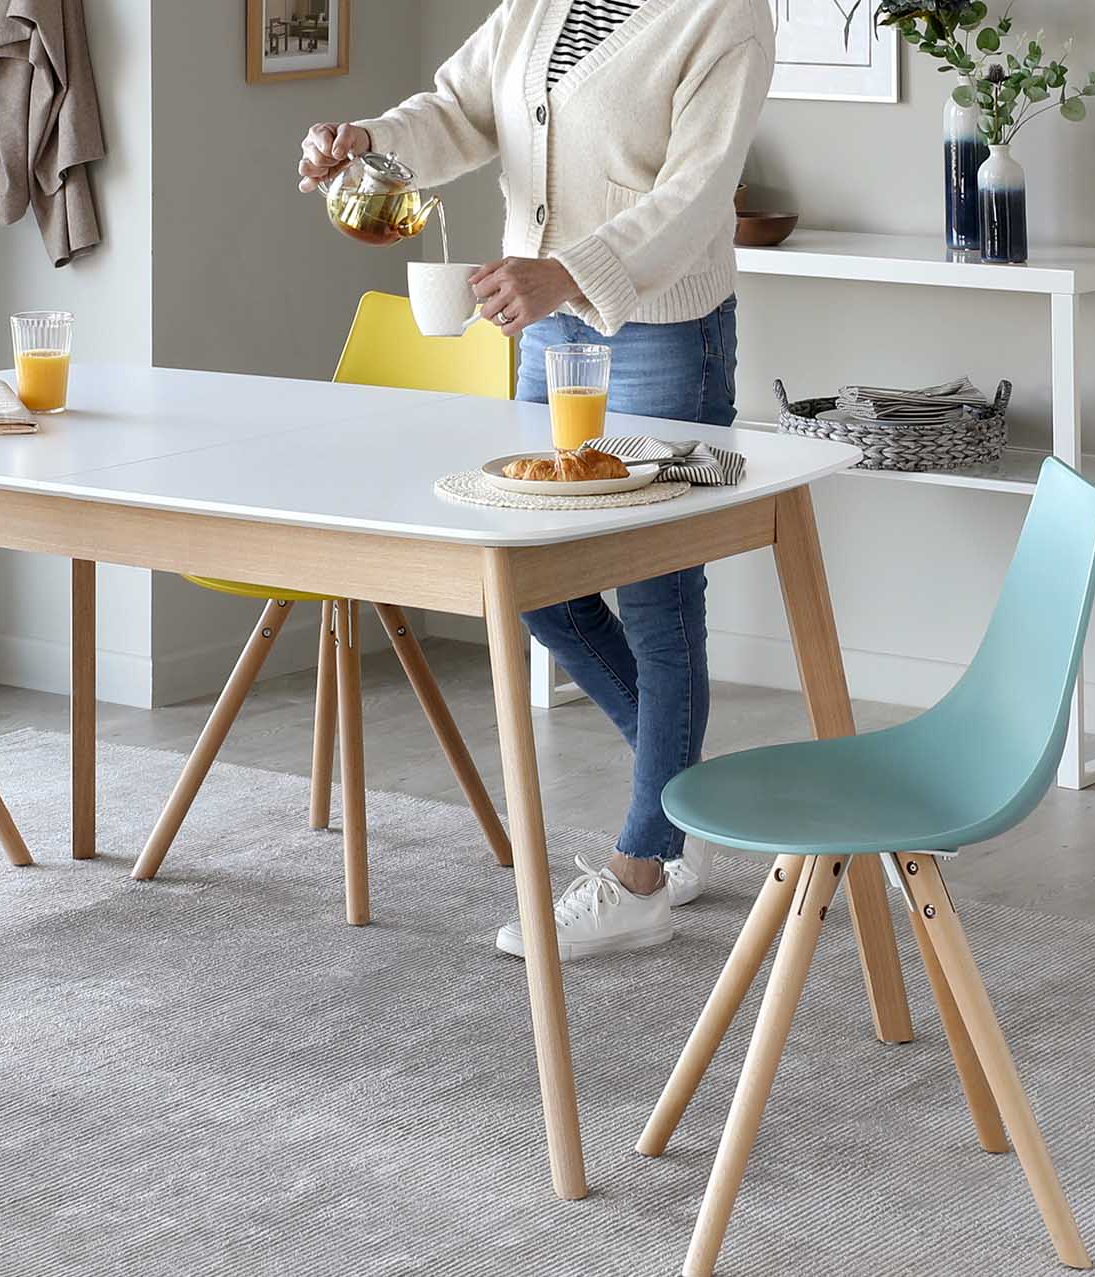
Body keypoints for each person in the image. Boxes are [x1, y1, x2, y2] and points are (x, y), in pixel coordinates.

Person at [296, 0, 773, 960]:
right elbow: (459, 110)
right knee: (532, 583)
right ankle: (680, 795)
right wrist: (368, 143)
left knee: (657, 596)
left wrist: (569, 271)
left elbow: (697, 192)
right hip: (542, 324)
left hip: (660, 333)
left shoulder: (726, 15)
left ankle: (643, 870)